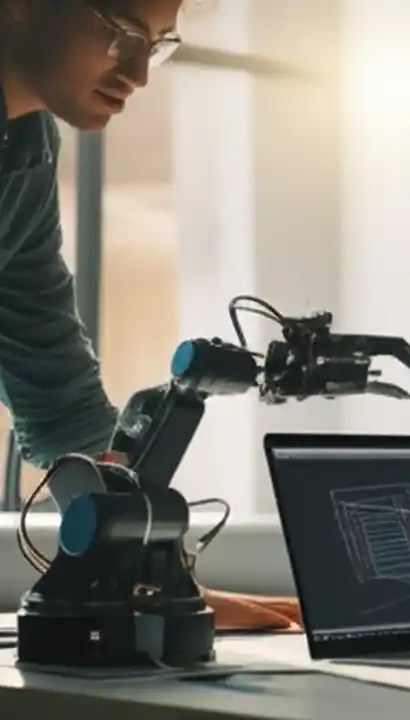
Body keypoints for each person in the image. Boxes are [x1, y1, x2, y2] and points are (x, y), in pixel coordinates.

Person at [1, 0, 297, 630]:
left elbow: (57, 389)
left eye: (158, 44)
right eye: (121, 33)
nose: (138, 73)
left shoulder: (24, 146)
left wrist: (149, 580)